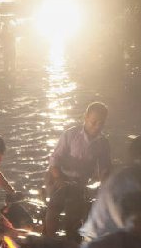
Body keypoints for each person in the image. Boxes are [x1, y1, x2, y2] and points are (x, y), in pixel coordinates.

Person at [44, 102, 112, 239]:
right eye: (93, 122)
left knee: (74, 218)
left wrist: (106, 188)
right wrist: (59, 179)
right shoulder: (70, 135)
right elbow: (55, 160)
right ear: (85, 117)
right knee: (53, 210)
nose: (97, 127)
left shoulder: (103, 143)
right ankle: (47, 238)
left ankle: (71, 242)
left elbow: (104, 169)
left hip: (79, 183)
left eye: (101, 123)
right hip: (59, 176)